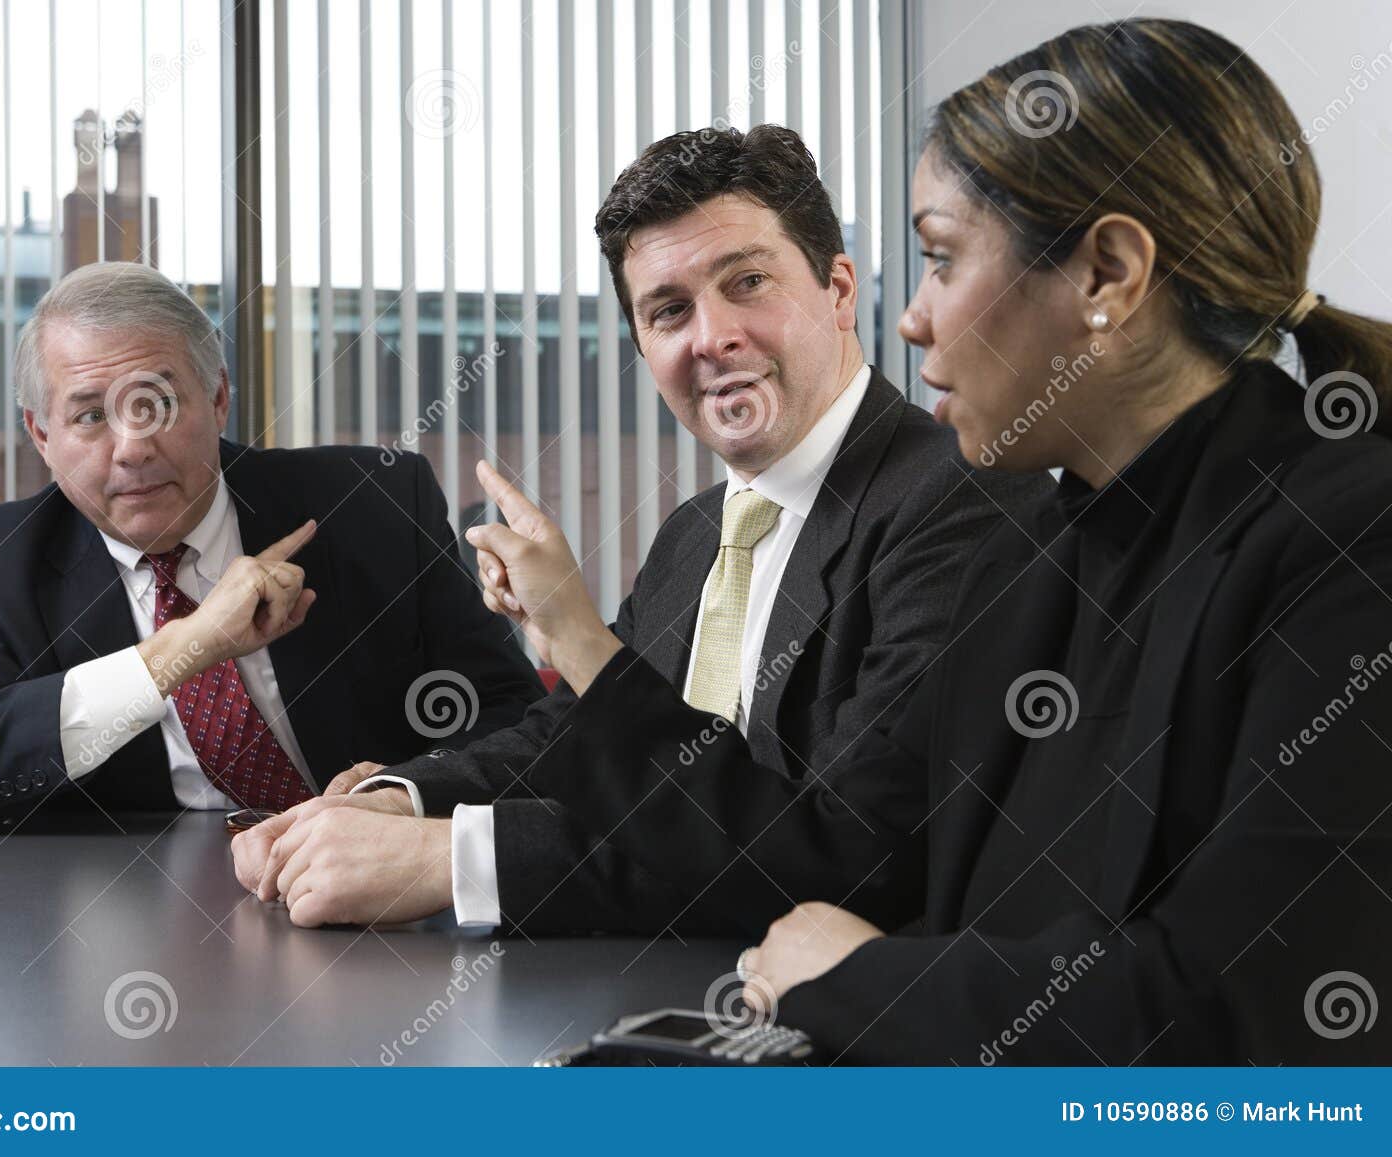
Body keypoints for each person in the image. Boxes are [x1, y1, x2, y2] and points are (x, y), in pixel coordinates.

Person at [451, 19, 1392, 1063]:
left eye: (941, 258)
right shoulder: (1032, 548)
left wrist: (856, 981)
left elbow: (1234, 1023)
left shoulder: (1350, 540)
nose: (914, 317)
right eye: (666, 309)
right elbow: (844, 854)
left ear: (1108, 274)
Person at [231, 125, 1049, 931]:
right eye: (668, 311)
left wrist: (453, 859)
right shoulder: (698, 533)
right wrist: (398, 798)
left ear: (839, 291)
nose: (711, 337)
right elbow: (589, 731)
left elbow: (842, 854)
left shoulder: (965, 500)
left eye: (749, 282)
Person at [0, 262, 542, 834]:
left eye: (159, 402)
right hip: (141, 917)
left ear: (220, 397)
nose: (133, 447)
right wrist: (187, 645)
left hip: (377, 892)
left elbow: (516, 716)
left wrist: (409, 789)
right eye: (90, 416)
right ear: (41, 435)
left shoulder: (374, 505)